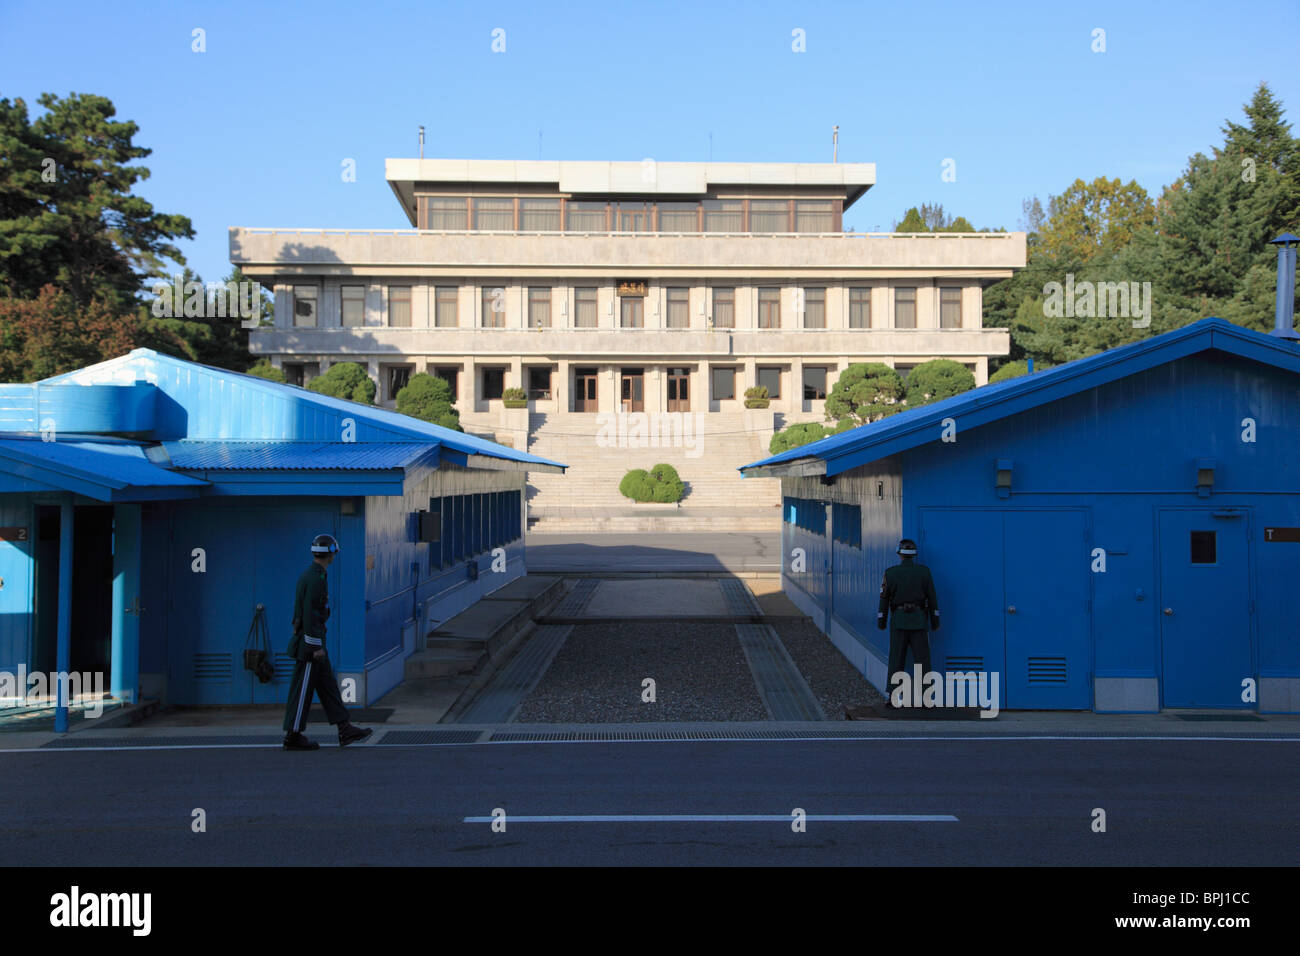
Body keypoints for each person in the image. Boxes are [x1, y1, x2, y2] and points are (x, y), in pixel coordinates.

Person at [283, 533, 373, 750]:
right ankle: (293, 736)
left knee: (328, 687)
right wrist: (315, 647)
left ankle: (345, 728)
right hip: (310, 646)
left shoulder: (310, 575)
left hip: (313, 643)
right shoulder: (316, 579)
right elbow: (310, 614)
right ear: (330, 554)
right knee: (303, 689)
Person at [877, 538, 940, 706]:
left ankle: (893, 696)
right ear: (914, 555)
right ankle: (927, 697)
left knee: (896, 659)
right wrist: (935, 620)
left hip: (899, 621)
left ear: (899, 554)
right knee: (923, 660)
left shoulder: (890, 573)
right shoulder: (924, 572)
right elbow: (932, 598)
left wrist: (881, 620)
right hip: (919, 621)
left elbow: (884, 599)